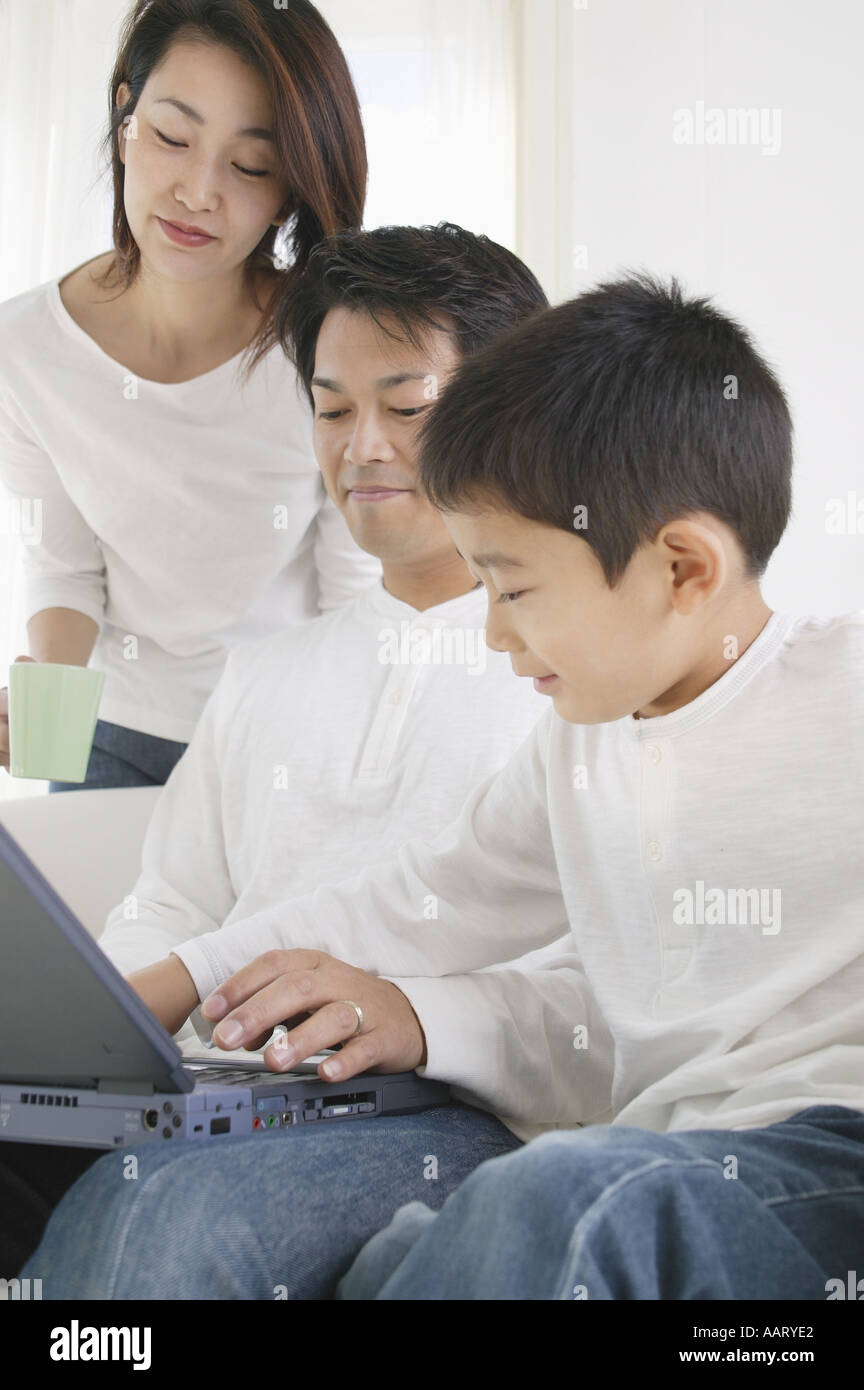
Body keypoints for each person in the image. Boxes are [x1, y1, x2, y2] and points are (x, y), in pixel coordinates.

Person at [19, 273, 864, 1301]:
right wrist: (163, 986)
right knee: (409, 1258)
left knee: (564, 1198)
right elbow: (414, 903)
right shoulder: (578, 749)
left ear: (684, 570)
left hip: (824, 1156)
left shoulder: (843, 688)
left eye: (512, 588)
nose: (496, 632)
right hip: (664, 1149)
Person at [1, 221, 579, 1283]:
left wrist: (421, 1016)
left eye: (406, 407)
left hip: (444, 1110)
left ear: (513, 410)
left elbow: (604, 997)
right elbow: (173, 903)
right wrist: (104, 1042)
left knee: (175, 1218)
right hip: (220, 1092)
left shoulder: (581, 673)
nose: (362, 445)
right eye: (330, 407)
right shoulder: (266, 673)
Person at [0, 0, 379, 792]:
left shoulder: (329, 345)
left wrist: (359, 753)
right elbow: (63, 570)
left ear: (289, 193)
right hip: (114, 729)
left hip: (285, 732)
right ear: (125, 116)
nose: (198, 192)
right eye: (172, 138)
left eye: (249, 166)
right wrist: (43, 725)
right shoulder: (25, 348)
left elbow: (355, 581)